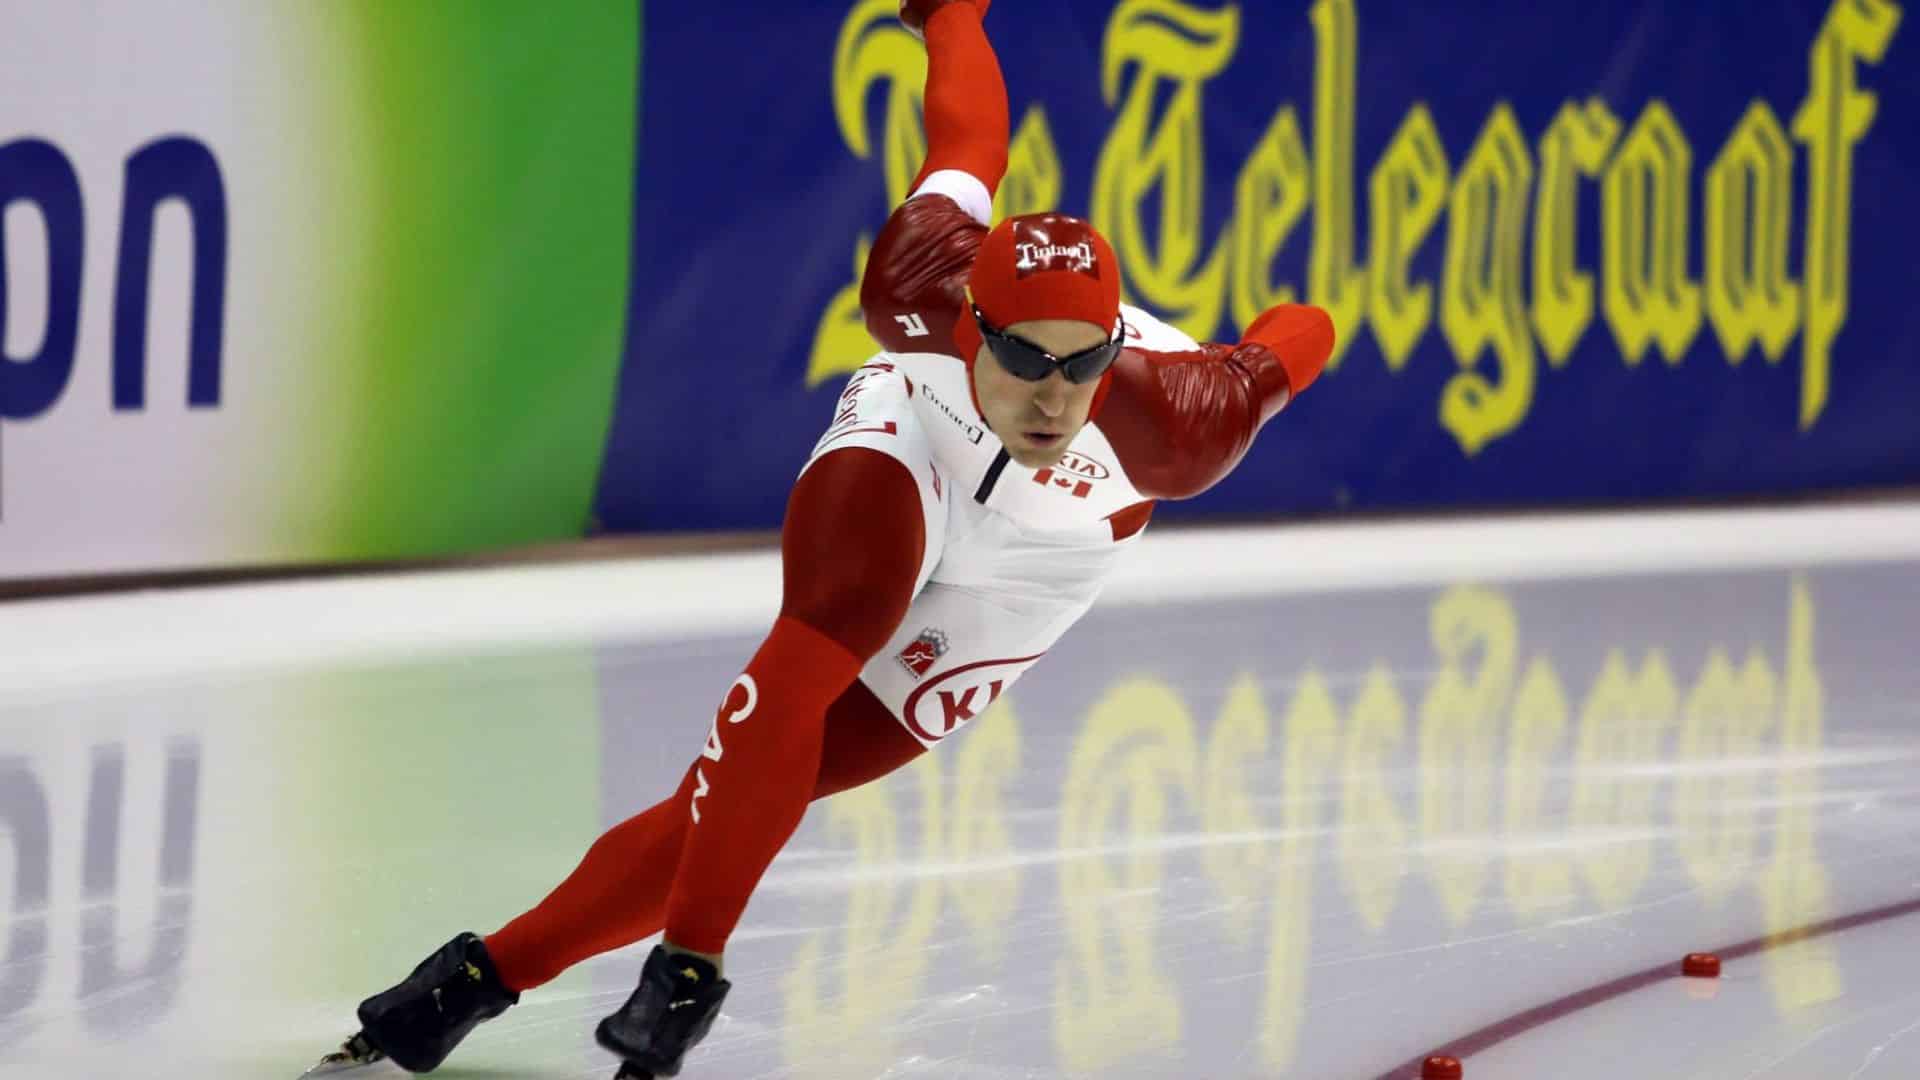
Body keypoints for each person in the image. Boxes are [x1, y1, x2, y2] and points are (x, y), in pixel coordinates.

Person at [309, 1, 1332, 1077]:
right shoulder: (915, 281)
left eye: (1082, 365)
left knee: (762, 790)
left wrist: (1256, 355)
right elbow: (968, 138)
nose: (1053, 395)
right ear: (964, 324)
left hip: (1045, 560)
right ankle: (683, 978)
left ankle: (476, 979)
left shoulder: (1176, 424)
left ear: (1117, 349)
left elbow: (1303, 331)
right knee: (802, 666)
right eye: (1025, 358)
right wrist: (952, 14)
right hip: (919, 445)